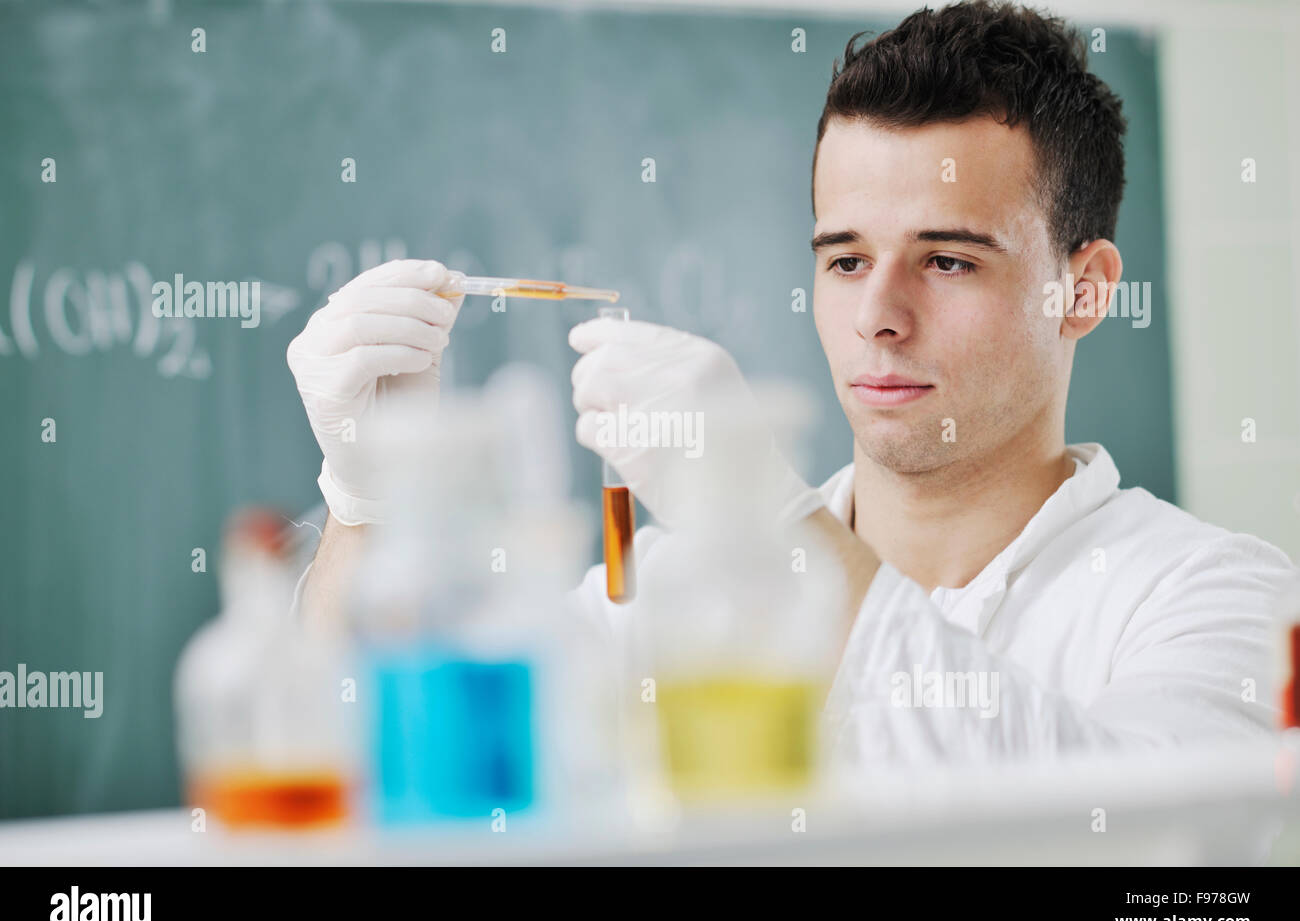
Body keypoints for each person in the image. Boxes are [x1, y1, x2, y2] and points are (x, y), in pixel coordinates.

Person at [286, 1, 1295, 765]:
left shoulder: (1212, 597)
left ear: (1082, 289)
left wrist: (773, 530)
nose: (878, 315)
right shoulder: (658, 594)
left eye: (947, 261)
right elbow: (354, 763)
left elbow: (1133, 869)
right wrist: (371, 502)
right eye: (845, 260)